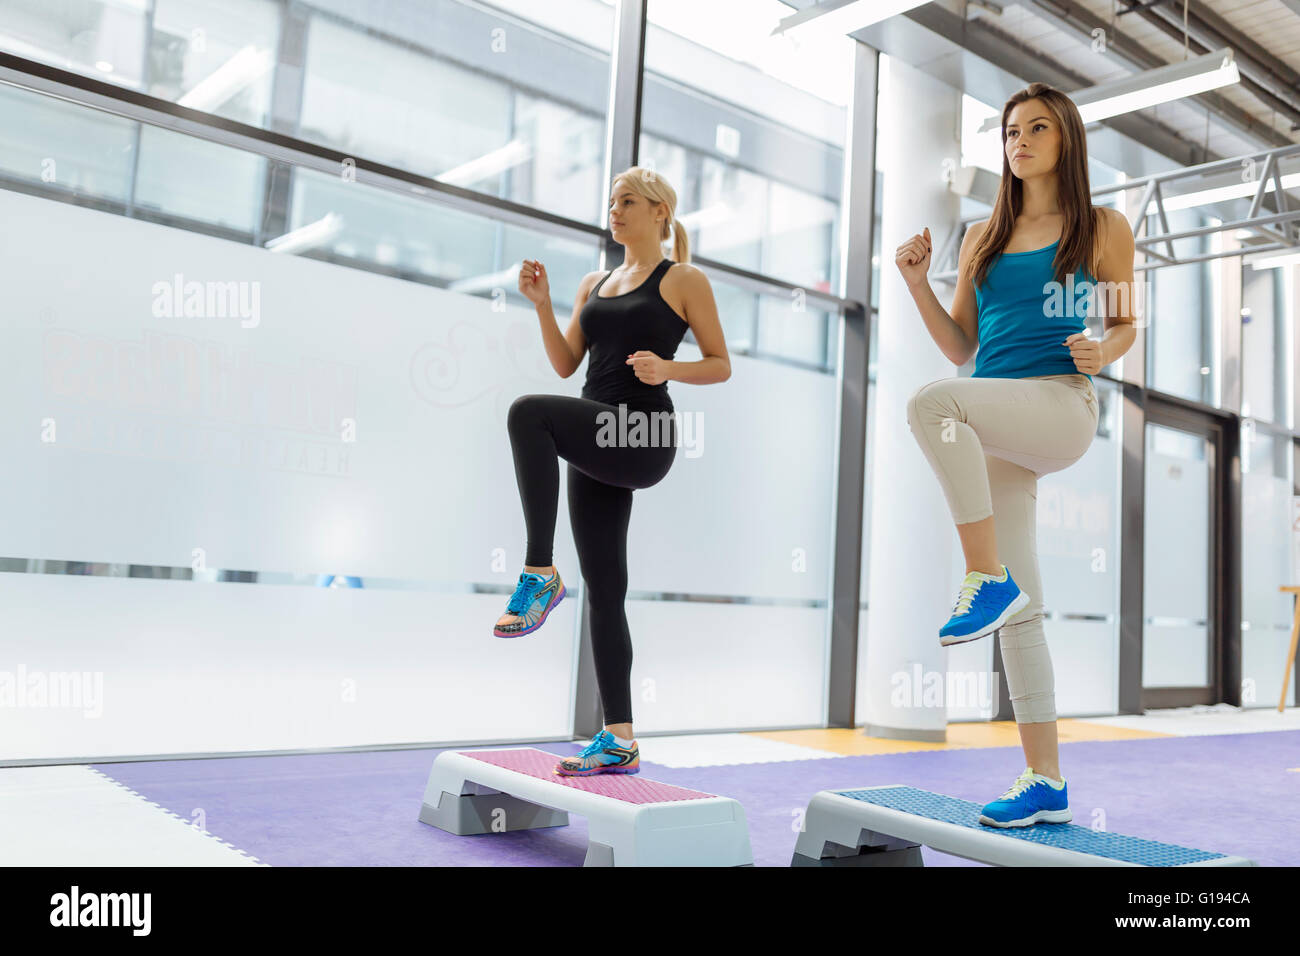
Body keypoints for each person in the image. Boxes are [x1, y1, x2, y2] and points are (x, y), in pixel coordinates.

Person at [895, 81, 1137, 826]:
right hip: (996, 412)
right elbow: (963, 346)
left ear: (1065, 139)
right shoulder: (981, 237)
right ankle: (1046, 779)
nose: (1019, 140)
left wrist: (1106, 347)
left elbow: (1126, 323)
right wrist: (914, 284)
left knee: (929, 402)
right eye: (1009, 130)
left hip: (1063, 404)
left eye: (1036, 128)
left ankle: (981, 574)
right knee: (1022, 613)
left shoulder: (1102, 226)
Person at [501, 165, 731, 776]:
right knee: (606, 591)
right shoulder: (594, 282)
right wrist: (544, 306)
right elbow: (564, 364)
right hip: (596, 432)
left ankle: (539, 572)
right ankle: (619, 737)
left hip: (642, 432)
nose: (615, 210)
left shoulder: (682, 278)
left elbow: (720, 363)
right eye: (611, 202)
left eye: (627, 200)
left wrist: (668, 369)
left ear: (659, 211)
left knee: (528, 415)